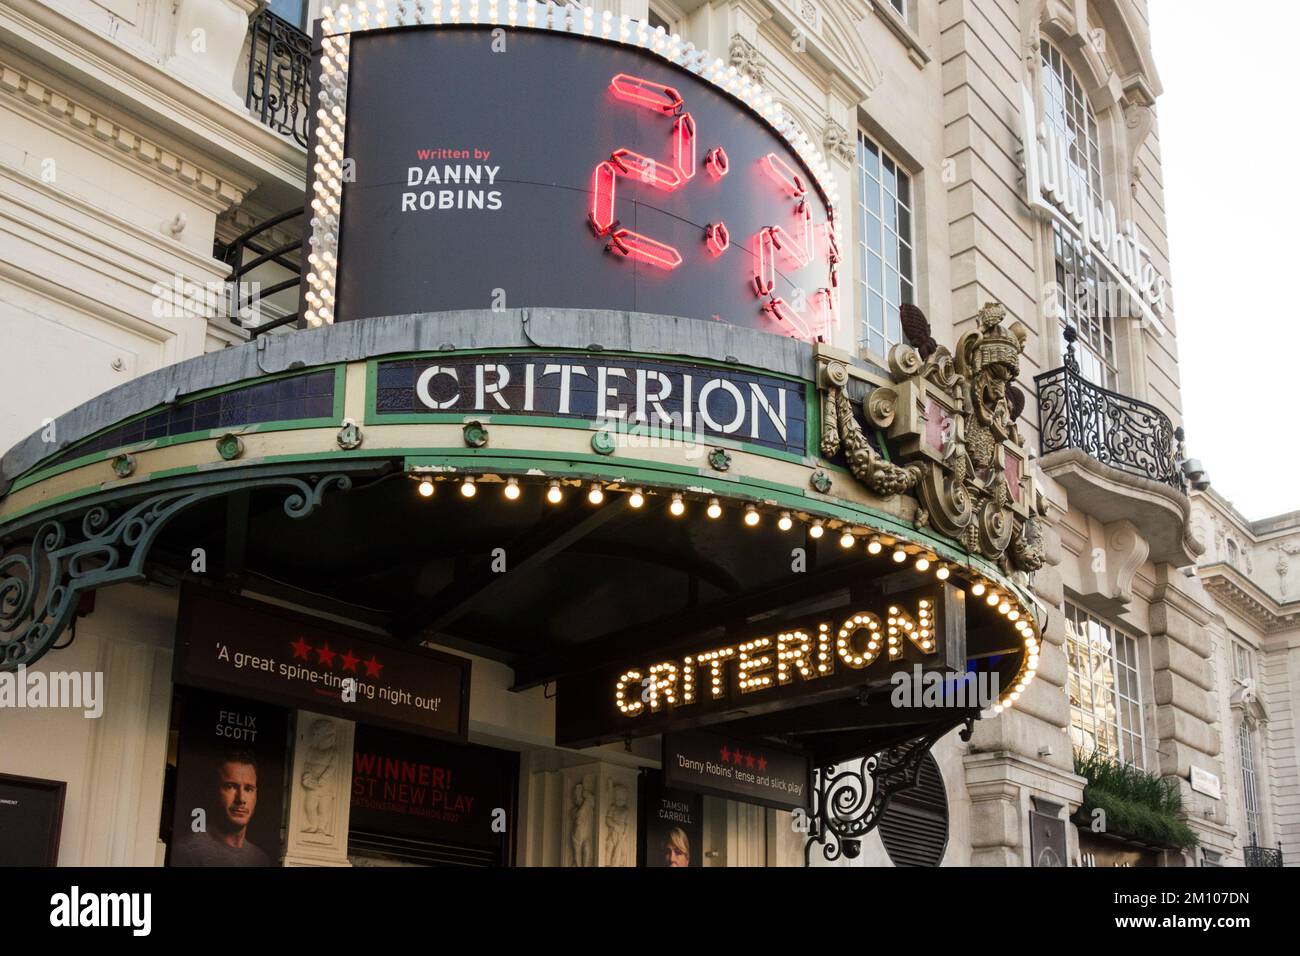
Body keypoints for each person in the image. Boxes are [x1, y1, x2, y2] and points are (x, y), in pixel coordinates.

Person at [171, 751, 274, 866]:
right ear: (214, 791)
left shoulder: (261, 859)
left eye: (248, 789)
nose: (241, 799)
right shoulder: (188, 852)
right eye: (230, 787)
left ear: (256, 795)